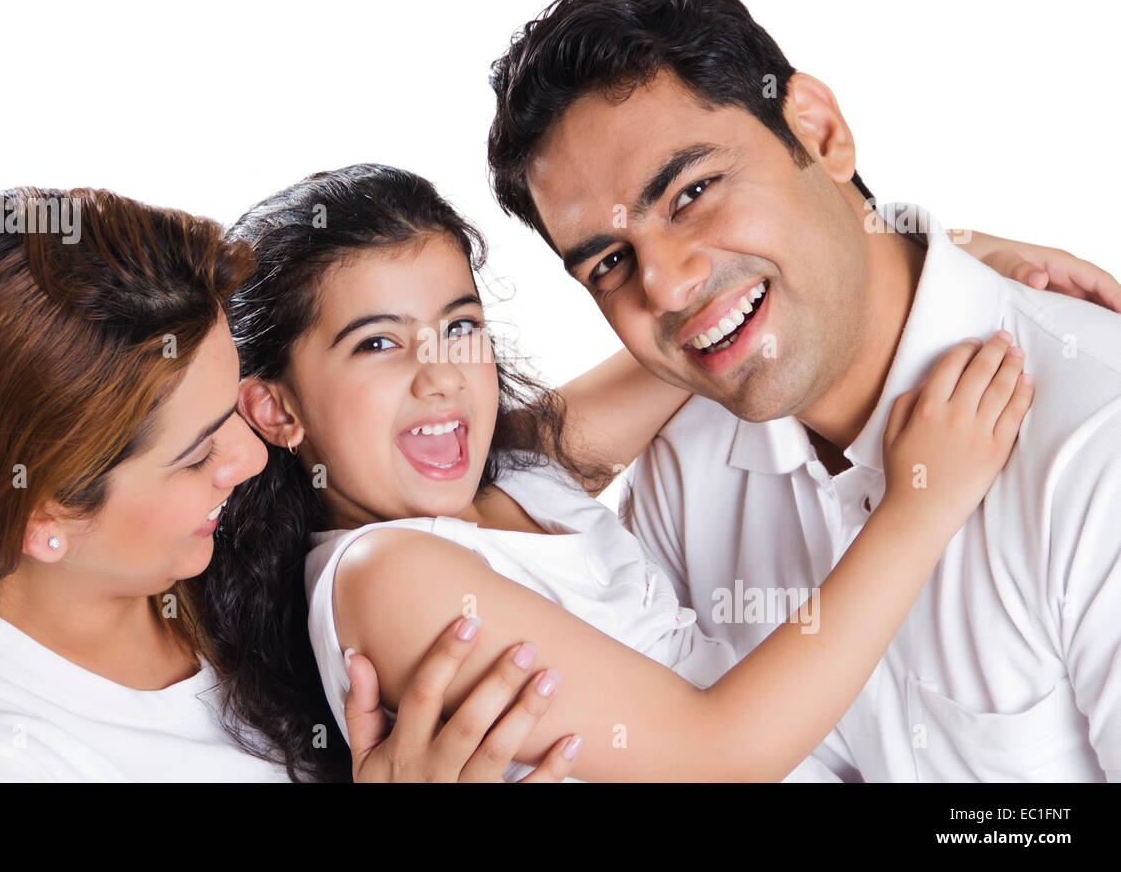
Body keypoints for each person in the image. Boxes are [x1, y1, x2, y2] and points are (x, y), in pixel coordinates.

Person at [485, 0, 1121, 780]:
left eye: (691, 194)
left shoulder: (1097, 437)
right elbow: (442, 487)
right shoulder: (688, 460)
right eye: (611, 262)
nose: (669, 286)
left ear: (817, 132)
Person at [216, 163, 1034, 781]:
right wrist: (921, 505)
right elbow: (714, 756)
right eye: (378, 343)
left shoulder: (508, 474)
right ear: (277, 410)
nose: (440, 375)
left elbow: (691, 338)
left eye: (459, 325)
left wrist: (932, 264)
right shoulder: (382, 573)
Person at [0, 186, 580, 783]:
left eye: (232, 404)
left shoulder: (191, 555)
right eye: (198, 455)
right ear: (43, 517)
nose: (252, 457)